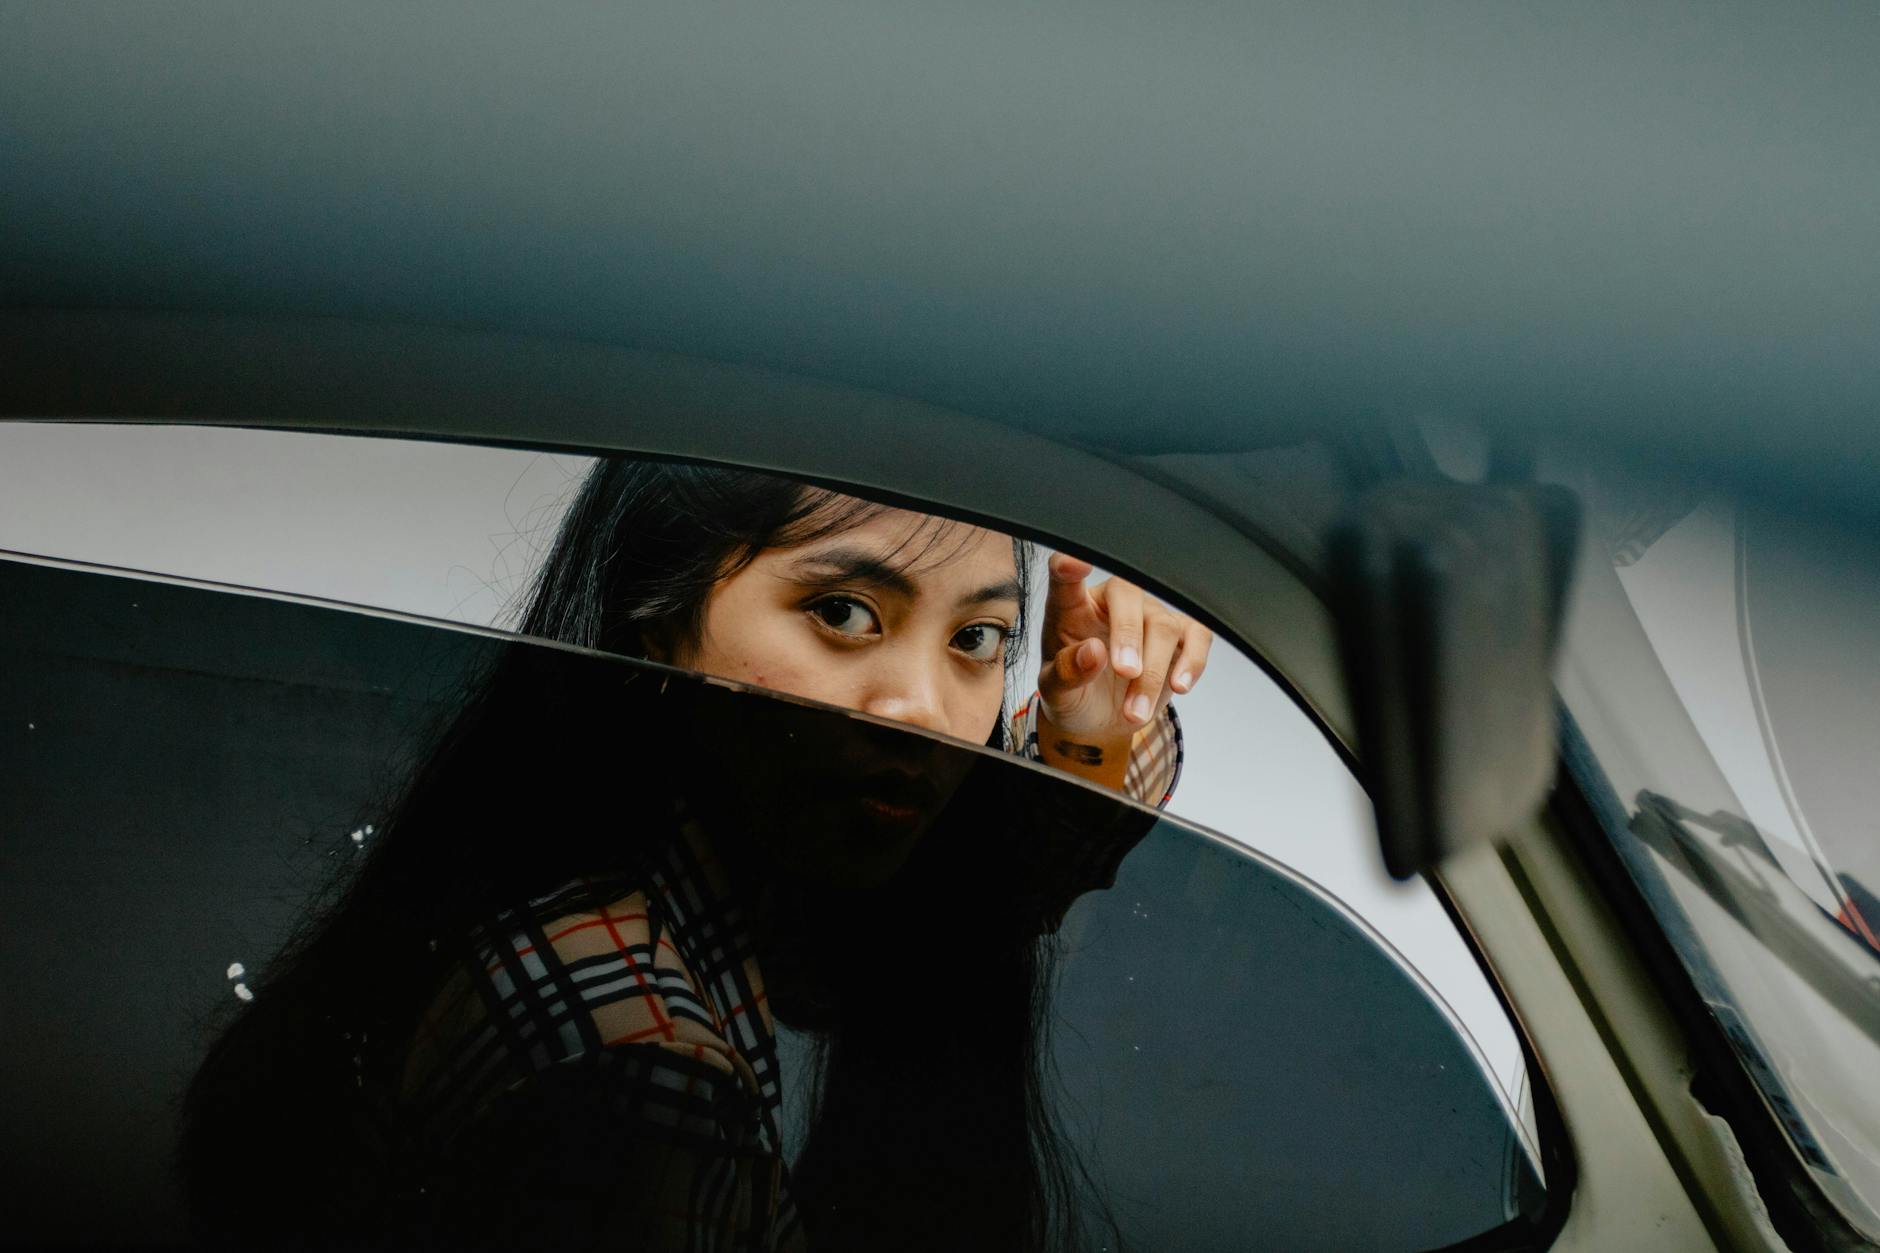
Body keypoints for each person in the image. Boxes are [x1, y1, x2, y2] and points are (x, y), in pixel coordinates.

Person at [178, 459, 1211, 1252]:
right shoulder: (644, 1074)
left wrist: (1095, 711)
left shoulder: (657, 884)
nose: (926, 715)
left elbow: (965, 897)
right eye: (842, 613)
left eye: (977, 639)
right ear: (658, 622)